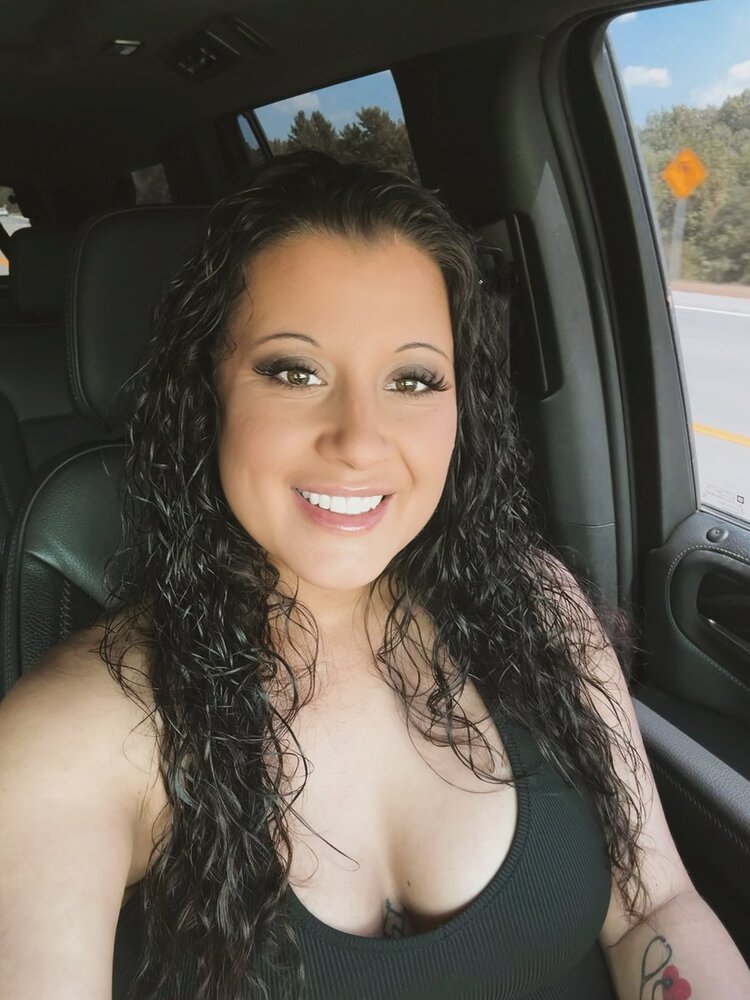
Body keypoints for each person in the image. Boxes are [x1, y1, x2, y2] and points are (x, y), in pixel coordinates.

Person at [1, 150, 748, 1000]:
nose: (359, 440)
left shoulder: (538, 607)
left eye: (413, 379)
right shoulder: (74, 733)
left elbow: (655, 909)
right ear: (210, 389)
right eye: (294, 371)